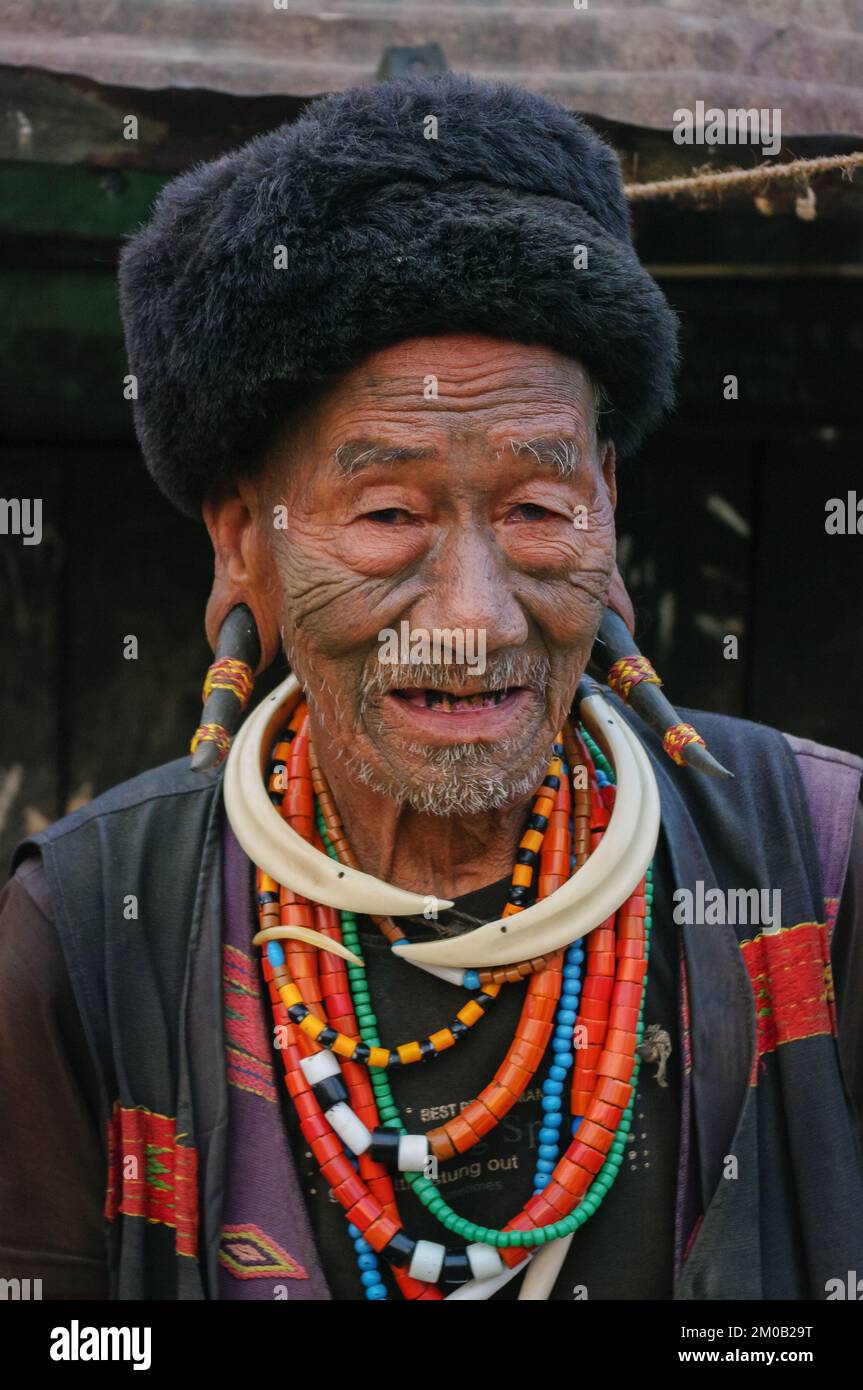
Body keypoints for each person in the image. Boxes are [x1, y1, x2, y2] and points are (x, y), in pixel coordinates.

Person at [1, 74, 862, 1302]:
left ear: (604, 509)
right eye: (390, 511)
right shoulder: (79, 939)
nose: (472, 618)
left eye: (533, 508)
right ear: (243, 537)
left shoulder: (824, 875)